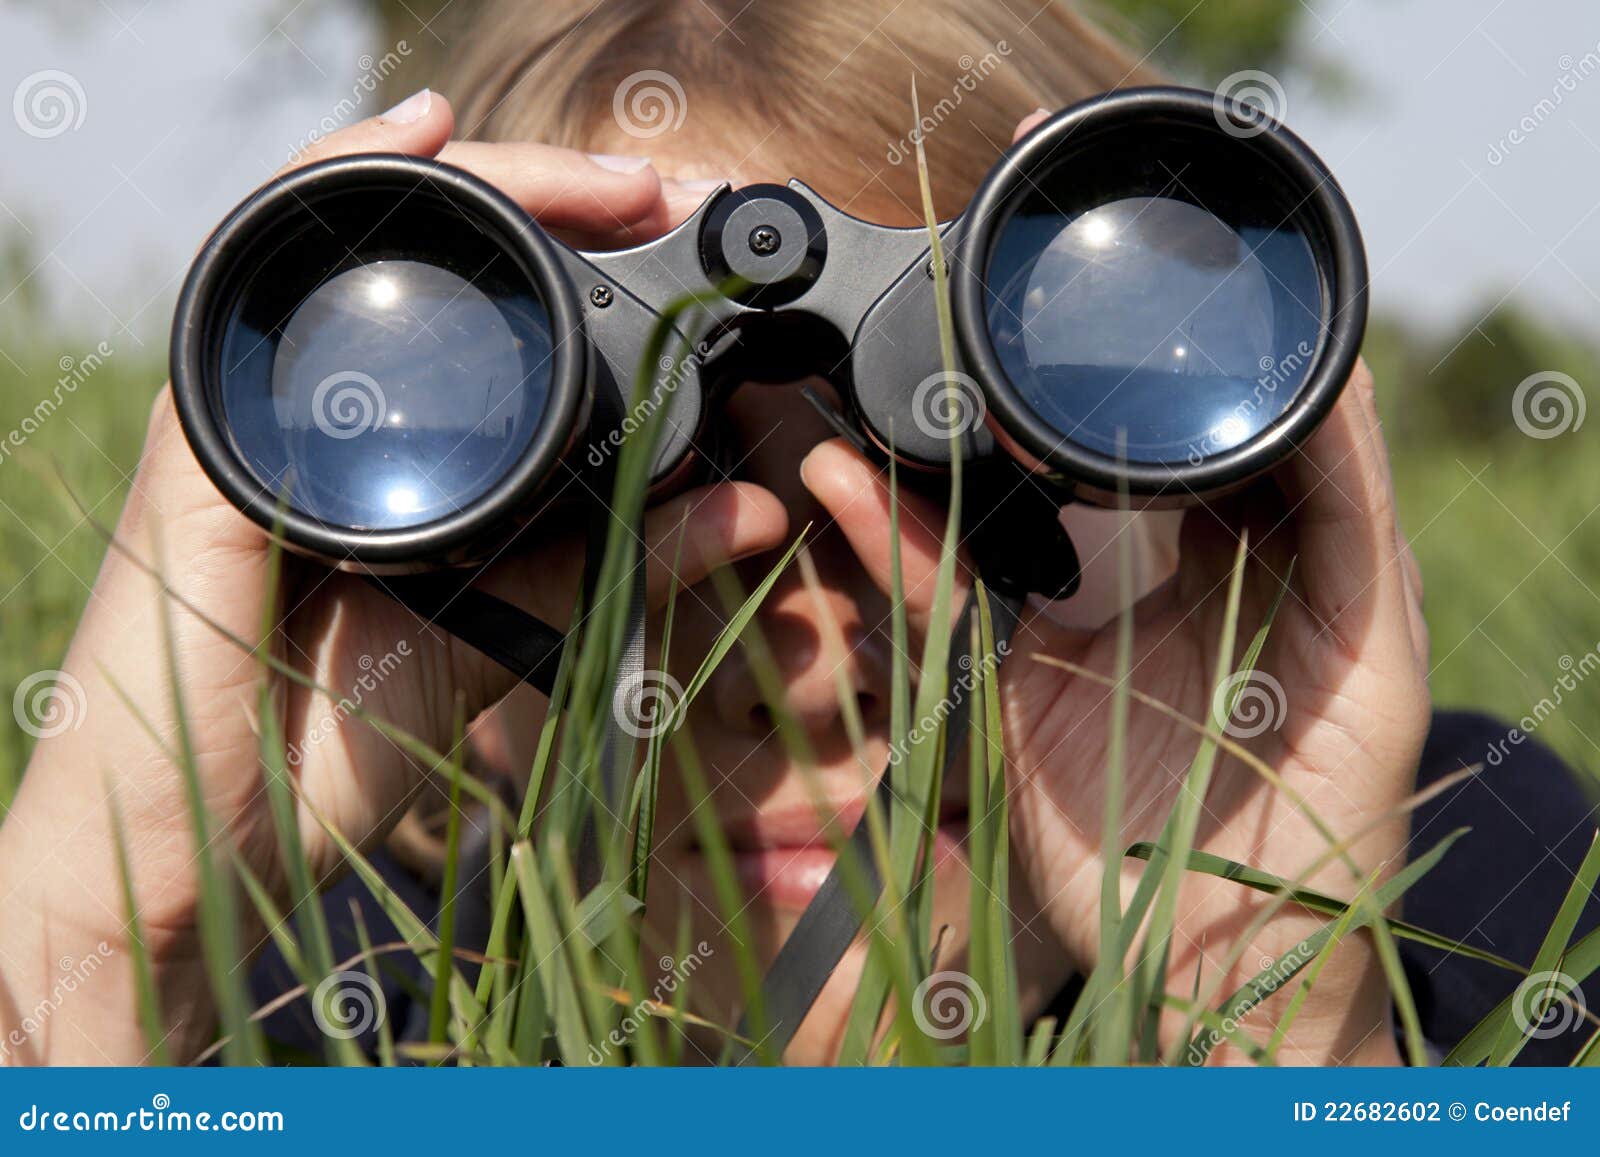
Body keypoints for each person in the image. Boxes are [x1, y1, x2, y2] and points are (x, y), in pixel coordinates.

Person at [0, 0, 1591, 1067]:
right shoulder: (318, 1005)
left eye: (973, 480)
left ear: (1208, 488)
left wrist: (1283, 1009)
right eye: (620, 501)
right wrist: (101, 941)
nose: (809, 664)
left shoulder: (1481, 904)